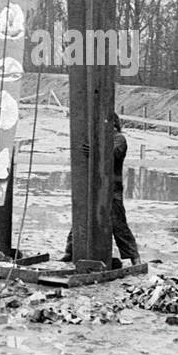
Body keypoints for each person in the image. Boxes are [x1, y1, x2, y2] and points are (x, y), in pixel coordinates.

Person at [62, 113, 141, 265]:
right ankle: (69, 251)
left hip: (112, 188)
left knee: (118, 223)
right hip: (93, 186)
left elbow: (114, 155)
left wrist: (95, 152)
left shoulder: (119, 139)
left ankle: (134, 257)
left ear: (113, 124)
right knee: (82, 217)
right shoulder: (98, 138)